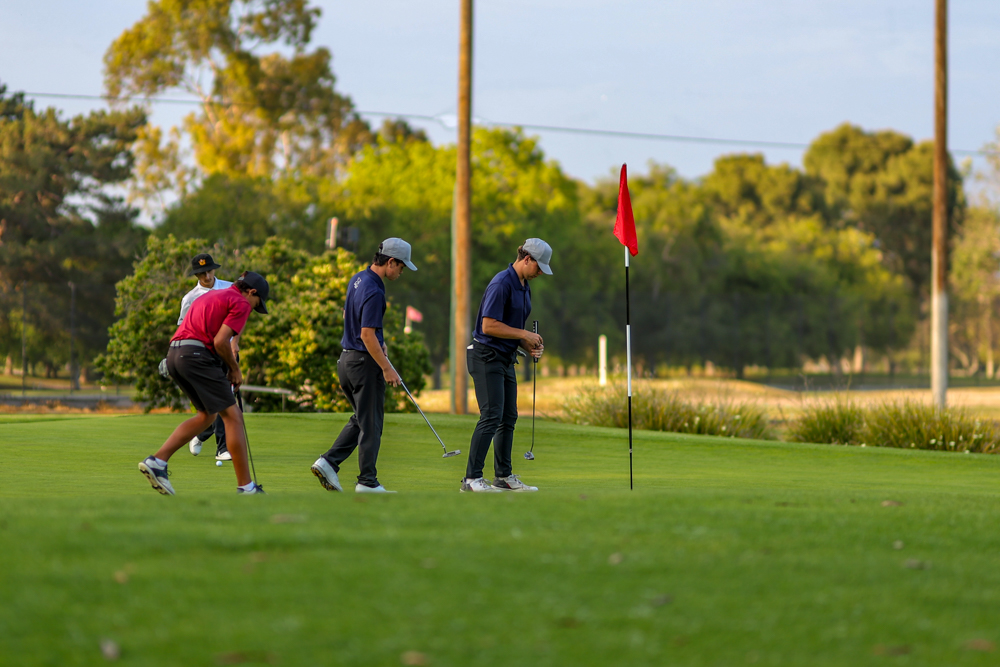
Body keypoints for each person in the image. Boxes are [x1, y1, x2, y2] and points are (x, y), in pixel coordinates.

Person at [138, 272, 270, 496]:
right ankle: (247, 488)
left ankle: (158, 462)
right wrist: (234, 369)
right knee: (234, 416)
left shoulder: (210, 296)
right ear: (252, 292)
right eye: (257, 304)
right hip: (196, 355)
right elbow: (220, 341)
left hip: (175, 356)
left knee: (206, 416)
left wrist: (224, 367)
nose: (254, 309)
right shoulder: (240, 302)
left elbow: (207, 336)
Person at [310, 238, 417, 494]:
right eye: (401, 267)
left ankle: (328, 462)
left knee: (362, 418)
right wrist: (386, 367)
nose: (401, 272)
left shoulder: (358, 279)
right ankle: (367, 482)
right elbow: (367, 334)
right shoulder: (375, 290)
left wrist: (381, 348)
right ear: (390, 261)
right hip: (363, 363)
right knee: (372, 424)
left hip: (346, 360)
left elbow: (352, 319)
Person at [461, 239, 552, 493]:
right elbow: (489, 326)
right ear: (527, 259)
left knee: (508, 416)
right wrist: (525, 334)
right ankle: (471, 479)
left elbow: (510, 332)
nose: (540, 272)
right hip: (486, 356)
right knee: (491, 415)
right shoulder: (502, 283)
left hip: (505, 357)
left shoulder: (524, 286)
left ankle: (503, 476)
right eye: (539, 266)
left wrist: (528, 346)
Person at [177, 253, 235, 462]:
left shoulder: (229, 288)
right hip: (204, 354)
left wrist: (235, 345)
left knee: (225, 399)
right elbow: (182, 328)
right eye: (202, 273)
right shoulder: (190, 298)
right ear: (196, 274)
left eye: (209, 271)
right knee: (222, 399)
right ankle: (222, 448)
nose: (207, 276)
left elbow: (238, 318)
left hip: (227, 352)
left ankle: (202, 435)